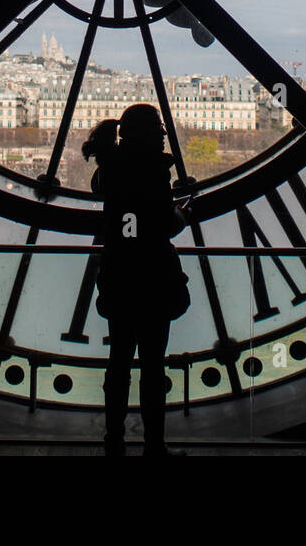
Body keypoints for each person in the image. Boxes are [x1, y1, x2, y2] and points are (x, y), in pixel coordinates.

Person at [82, 104, 191, 456]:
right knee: (152, 369)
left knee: (119, 364)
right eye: (159, 131)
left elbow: (128, 215)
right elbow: (162, 223)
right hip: (153, 278)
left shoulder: (109, 171)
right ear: (150, 135)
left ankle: (113, 441)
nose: (163, 136)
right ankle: (153, 445)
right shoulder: (153, 171)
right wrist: (183, 213)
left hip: (119, 276)